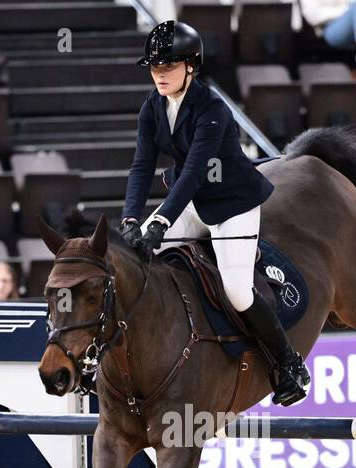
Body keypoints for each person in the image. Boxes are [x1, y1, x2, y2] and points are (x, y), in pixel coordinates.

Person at [121, 19, 309, 406]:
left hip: (231, 205)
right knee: (135, 260)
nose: (160, 74)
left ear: (191, 66)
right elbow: (141, 166)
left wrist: (158, 221)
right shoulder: (152, 107)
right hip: (192, 201)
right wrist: (130, 219)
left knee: (237, 290)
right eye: (155, 67)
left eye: (168, 66)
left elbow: (193, 172)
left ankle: (288, 365)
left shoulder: (212, 109)